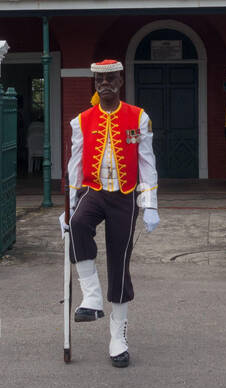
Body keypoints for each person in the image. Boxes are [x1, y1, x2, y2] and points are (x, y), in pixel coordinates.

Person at [61, 59, 159, 366]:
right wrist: (70, 204)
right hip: (93, 191)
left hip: (125, 195)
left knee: (119, 261)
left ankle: (118, 337)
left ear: (120, 81)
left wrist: (150, 203)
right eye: (99, 80)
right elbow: (75, 164)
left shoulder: (138, 117)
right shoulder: (81, 121)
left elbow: (146, 161)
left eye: (110, 79)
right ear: (94, 84)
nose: (104, 84)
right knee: (77, 224)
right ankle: (91, 296)